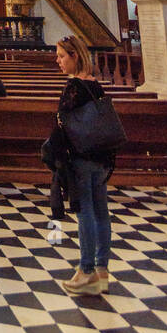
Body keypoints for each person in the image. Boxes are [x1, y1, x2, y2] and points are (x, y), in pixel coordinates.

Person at [53, 35, 114, 297]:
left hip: (81, 157)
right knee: (101, 211)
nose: (58, 61)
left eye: (61, 56)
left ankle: (86, 271)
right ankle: (102, 271)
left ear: (74, 55)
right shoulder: (96, 85)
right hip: (100, 156)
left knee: (85, 212)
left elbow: (62, 122)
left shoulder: (73, 87)